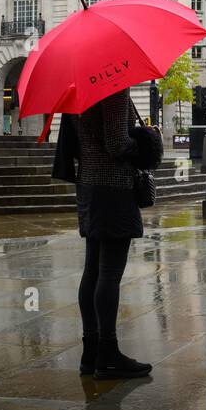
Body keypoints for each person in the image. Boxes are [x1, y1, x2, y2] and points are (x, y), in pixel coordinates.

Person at [52, 88, 156, 380]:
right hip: (113, 186)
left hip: (88, 184)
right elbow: (116, 144)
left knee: (93, 271)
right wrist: (146, 143)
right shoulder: (111, 87)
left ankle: (91, 350)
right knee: (110, 272)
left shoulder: (74, 89)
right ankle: (108, 354)